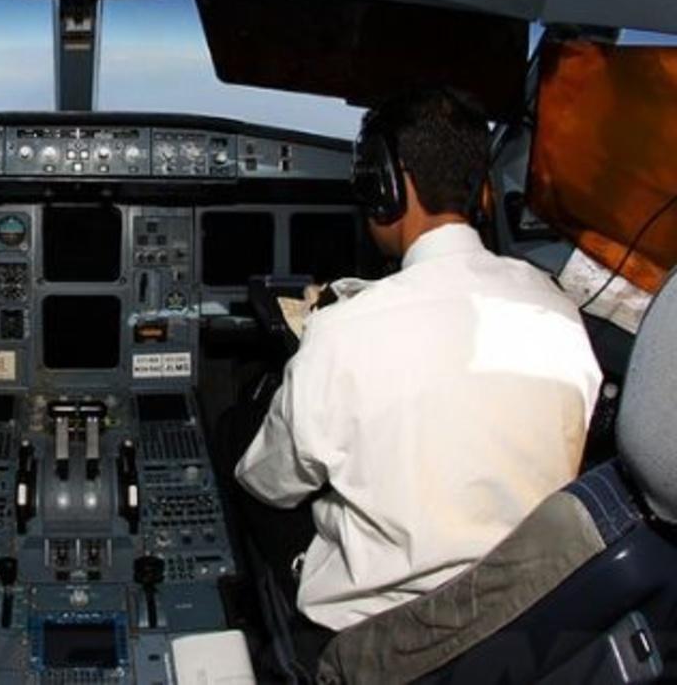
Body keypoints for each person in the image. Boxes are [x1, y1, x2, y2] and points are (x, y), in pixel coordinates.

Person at [233, 89, 602, 647]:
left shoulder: (342, 333)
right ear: (481, 190)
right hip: (524, 620)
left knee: (237, 438)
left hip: (386, 642)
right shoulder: (559, 312)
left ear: (387, 185)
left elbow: (271, 482)